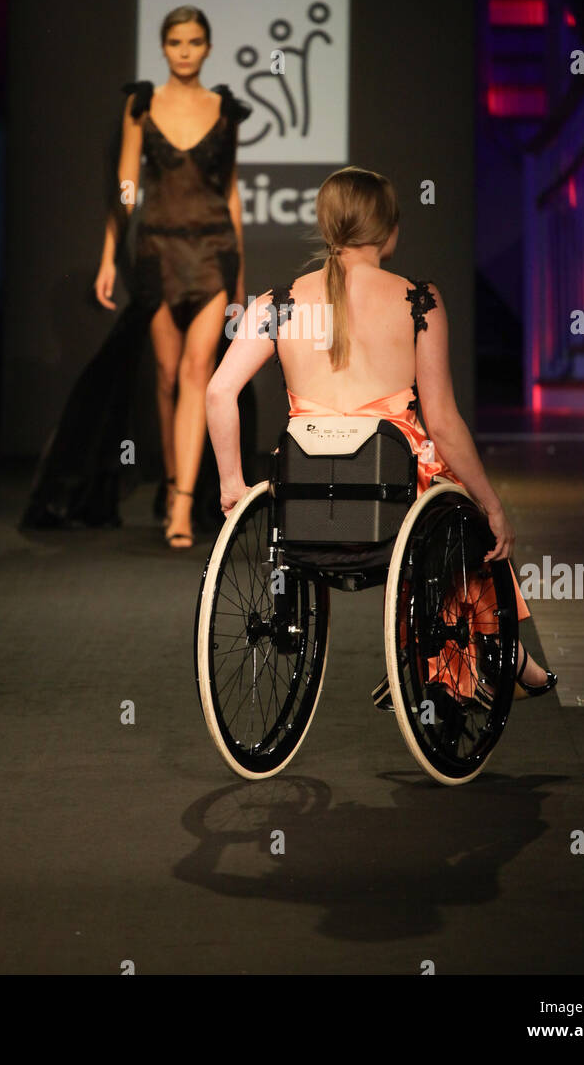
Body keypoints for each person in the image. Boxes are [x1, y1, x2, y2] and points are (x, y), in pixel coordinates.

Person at [205, 166, 556, 707]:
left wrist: (232, 485)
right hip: (392, 495)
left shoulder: (278, 303)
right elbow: (441, 421)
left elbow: (217, 392)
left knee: (438, 500)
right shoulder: (420, 300)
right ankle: (478, 656)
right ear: (390, 230)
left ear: (326, 225)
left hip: (306, 501)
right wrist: (493, 505)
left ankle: (485, 658)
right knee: (459, 509)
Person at [20, 6, 255, 543]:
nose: (186, 51)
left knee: (199, 373)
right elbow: (127, 186)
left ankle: (182, 506)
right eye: (176, 42)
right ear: (164, 46)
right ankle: (174, 484)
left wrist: (239, 266)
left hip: (214, 250)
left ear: (209, 47)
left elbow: (231, 188)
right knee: (169, 378)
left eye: (195, 41)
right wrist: (109, 252)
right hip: (156, 253)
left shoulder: (225, 109)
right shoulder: (142, 105)